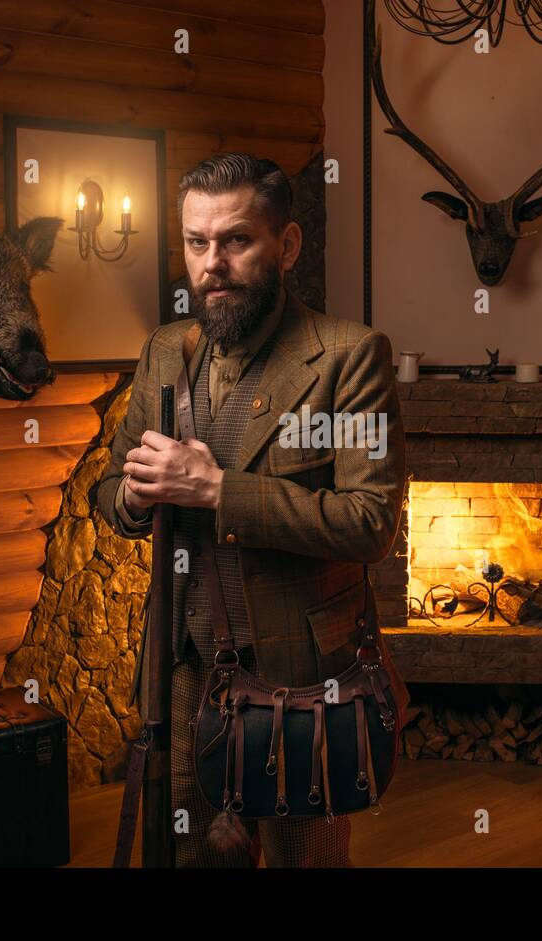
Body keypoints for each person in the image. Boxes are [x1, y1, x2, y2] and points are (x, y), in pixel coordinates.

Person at [94, 153, 406, 867]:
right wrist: (135, 495)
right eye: (197, 243)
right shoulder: (164, 352)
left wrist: (217, 490)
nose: (213, 263)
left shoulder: (348, 357)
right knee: (193, 857)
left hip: (303, 683)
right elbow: (109, 494)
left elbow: (370, 522)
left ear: (287, 246)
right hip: (184, 674)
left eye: (236, 240)